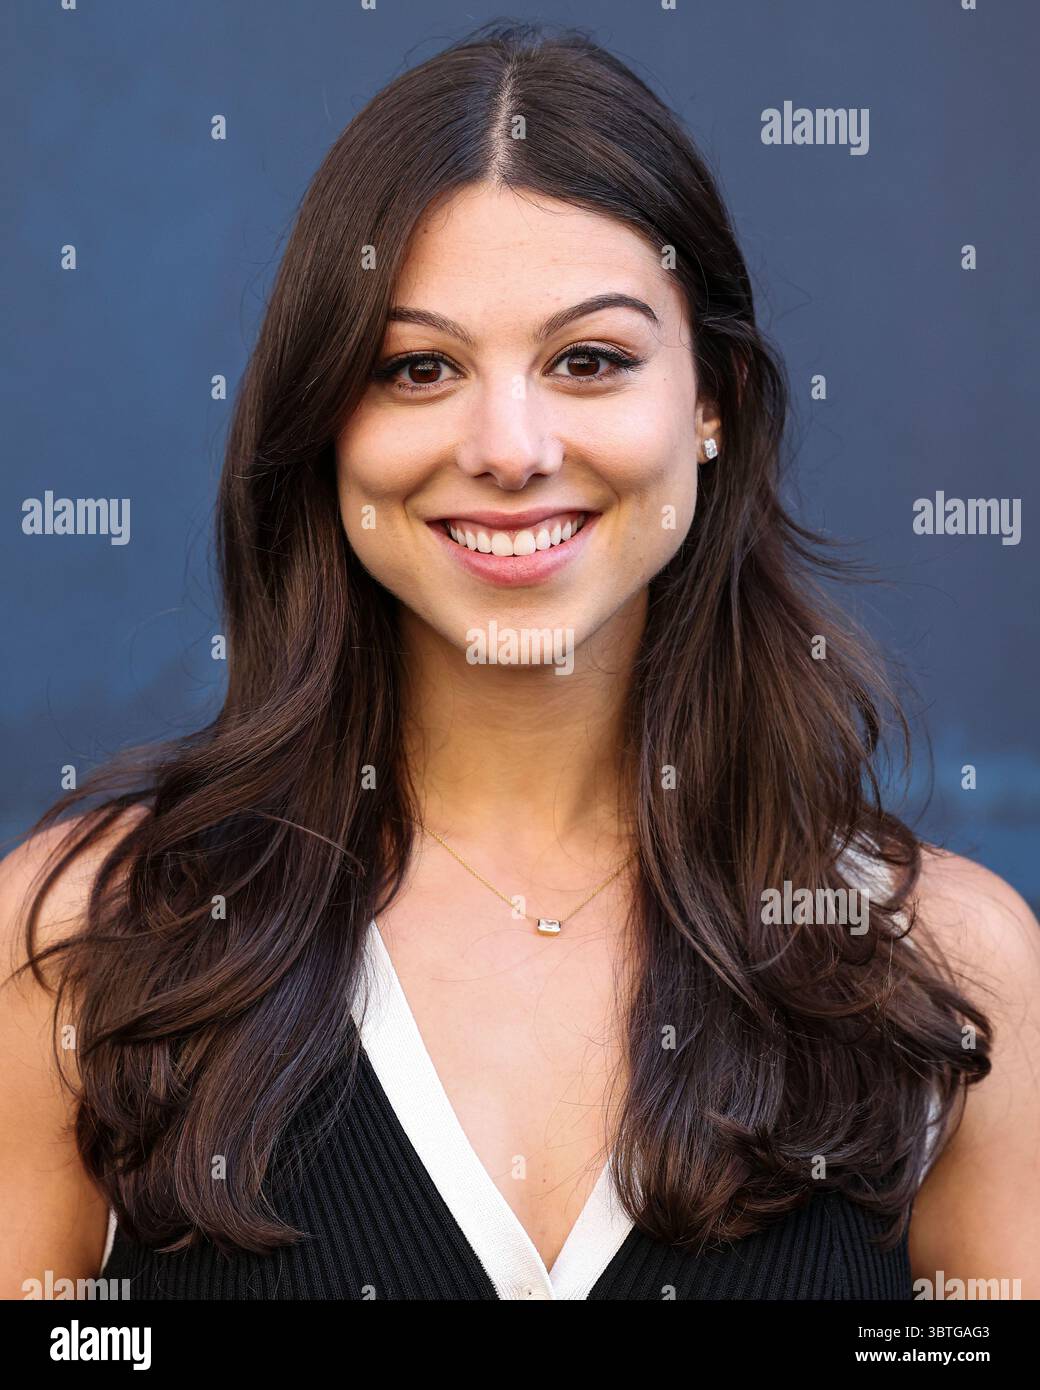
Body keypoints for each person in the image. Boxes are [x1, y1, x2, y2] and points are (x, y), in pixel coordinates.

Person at [3, 21, 1038, 1301]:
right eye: (417, 366)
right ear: (325, 417)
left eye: (588, 360)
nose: (508, 446)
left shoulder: (940, 965)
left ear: (708, 401)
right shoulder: (85, 940)